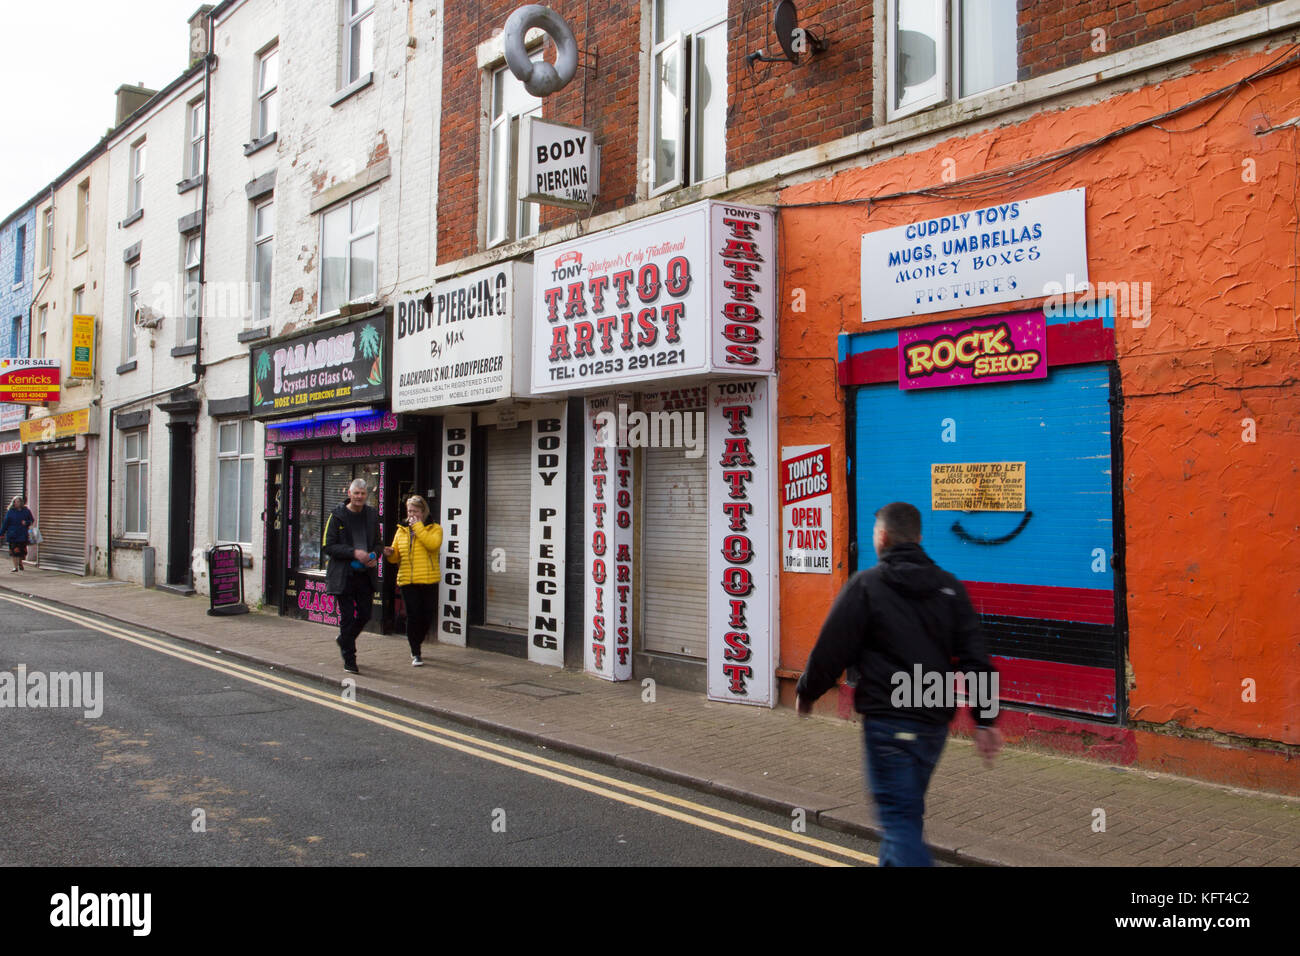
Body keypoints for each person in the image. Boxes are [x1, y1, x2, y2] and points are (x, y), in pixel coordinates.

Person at [795, 501, 1003, 866]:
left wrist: (807, 692)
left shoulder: (866, 586)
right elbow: (976, 658)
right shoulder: (949, 589)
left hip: (889, 723)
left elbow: (831, 648)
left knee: (898, 821)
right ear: (919, 537)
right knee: (905, 815)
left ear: (882, 537)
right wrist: (985, 721)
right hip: (932, 728)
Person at [322, 478, 381, 675]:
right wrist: (354, 552)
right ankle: (350, 659)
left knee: (365, 614)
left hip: (364, 575)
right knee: (347, 617)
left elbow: (378, 544)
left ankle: (344, 639)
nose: (359, 497)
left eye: (363, 494)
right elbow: (328, 546)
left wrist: (374, 556)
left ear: (367, 495)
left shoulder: (372, 515)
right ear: (349, 494)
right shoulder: (337, 515)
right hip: (343, 575)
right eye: (356, 493)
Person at [383, 495, 442, 666]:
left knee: (427, 616)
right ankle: (415, 651)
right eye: (409, 511)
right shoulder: (401, 530)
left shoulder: (435, 529)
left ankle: (418, 641)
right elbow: (395, 558)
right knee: (413, 615)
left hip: (428, 579)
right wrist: (390, 553)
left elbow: (432, 545)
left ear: (423, 512)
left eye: (415, 511)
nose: (411, 514)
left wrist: (418, 528)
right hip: (407, 580)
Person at [2, 495, 35, 573]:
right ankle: (15, 567)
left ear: (21, 502)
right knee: (14, 551)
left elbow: (31, 520)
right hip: (12, 534)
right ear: (13, 503)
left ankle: (20, 562)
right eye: (16, 502)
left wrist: (26, 523)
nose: (17, 503)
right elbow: (5, 523)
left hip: (22, 534)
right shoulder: (10, 511)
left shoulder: (26, 511)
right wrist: (2, 533)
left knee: (21, 552)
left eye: (19, 501)